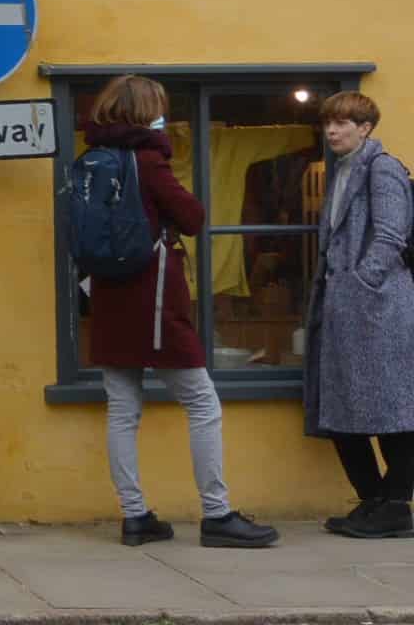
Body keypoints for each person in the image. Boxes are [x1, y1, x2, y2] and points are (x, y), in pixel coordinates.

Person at [83, 74, 278, 548]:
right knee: (202, 402)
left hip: (108, 294)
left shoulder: (90, 159)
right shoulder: (148, 160)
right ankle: (217, 514)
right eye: (160, 109)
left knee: (122, 408)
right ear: (147, 113)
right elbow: (191, 217)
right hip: (151, 296)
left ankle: (134, 516)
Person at [305, 91, 414, 538]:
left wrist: (361, 283)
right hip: (344, 309)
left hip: (378, 307)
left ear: (365, 127)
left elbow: (391, 234)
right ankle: (373, 500)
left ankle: (395, 505)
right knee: (342, 409)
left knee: (393, 409)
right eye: (329, 123)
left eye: (343, 123)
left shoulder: (382, 168)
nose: (332, 130)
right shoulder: (343, 170)